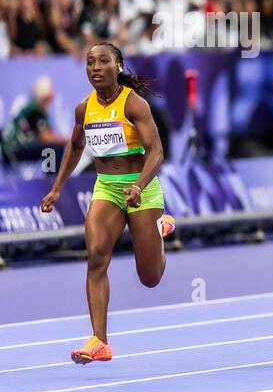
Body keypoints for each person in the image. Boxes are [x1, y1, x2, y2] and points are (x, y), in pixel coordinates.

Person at [40, 42, 175, 363]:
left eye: (103, 61)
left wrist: (140, 185)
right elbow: (74, 147)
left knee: (150, 277)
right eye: (90, 62)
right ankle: (99, 340)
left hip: (142, 190)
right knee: (96, 256)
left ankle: (160, 229)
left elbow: (156, 152)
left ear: (119, 67)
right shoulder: (83, 109)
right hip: (107, 190)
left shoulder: (135, 105)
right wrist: (57, 187)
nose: (96, 67)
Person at [2, 76, 68, 164]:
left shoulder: (34, 109)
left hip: (13, 149)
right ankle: (53, 176)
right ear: (46, 94)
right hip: (13, 151)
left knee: (54, 147)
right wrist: (68, 139)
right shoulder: (35, 111)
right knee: (53, 149)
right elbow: (46, 138)